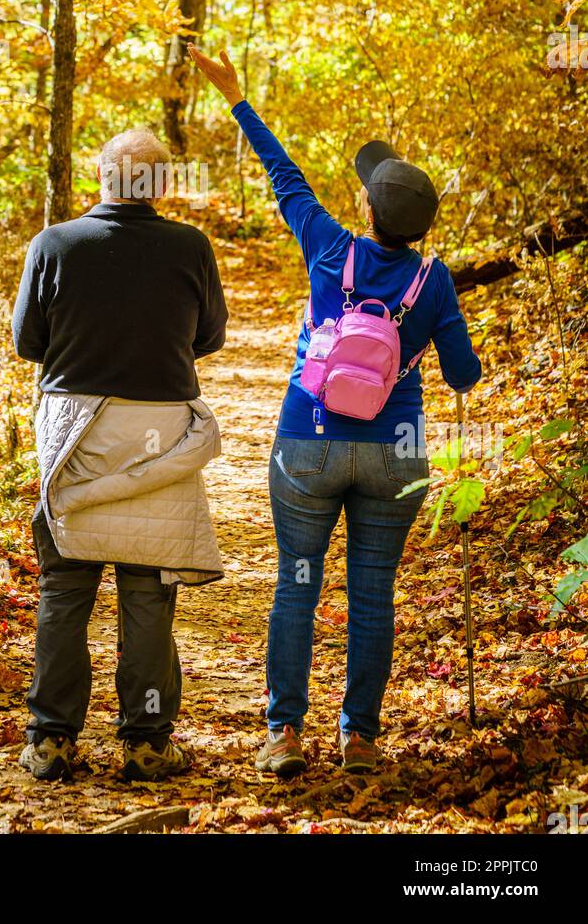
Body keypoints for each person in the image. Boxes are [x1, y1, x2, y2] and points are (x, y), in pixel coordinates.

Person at [188, 45, 481, 778]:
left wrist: (235, 97)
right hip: (394, 452)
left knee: (296, 581)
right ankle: (360, 738)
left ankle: (283, 734)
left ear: (367, 210)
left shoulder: (327, 246)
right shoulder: (434, 279)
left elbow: (282, 176)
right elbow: (464, 376)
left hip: (307, 443)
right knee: (372, 594)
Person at [11, 128, 228, 783]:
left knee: (64, 593)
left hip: (73, 436)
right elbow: (208, 337)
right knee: (148, 595)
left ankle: (51, 740)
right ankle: (146, 742)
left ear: (100, 179)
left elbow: (28, 343)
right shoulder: (190, 247)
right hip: (159, 436)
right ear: (160, 187)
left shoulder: (53, 245)